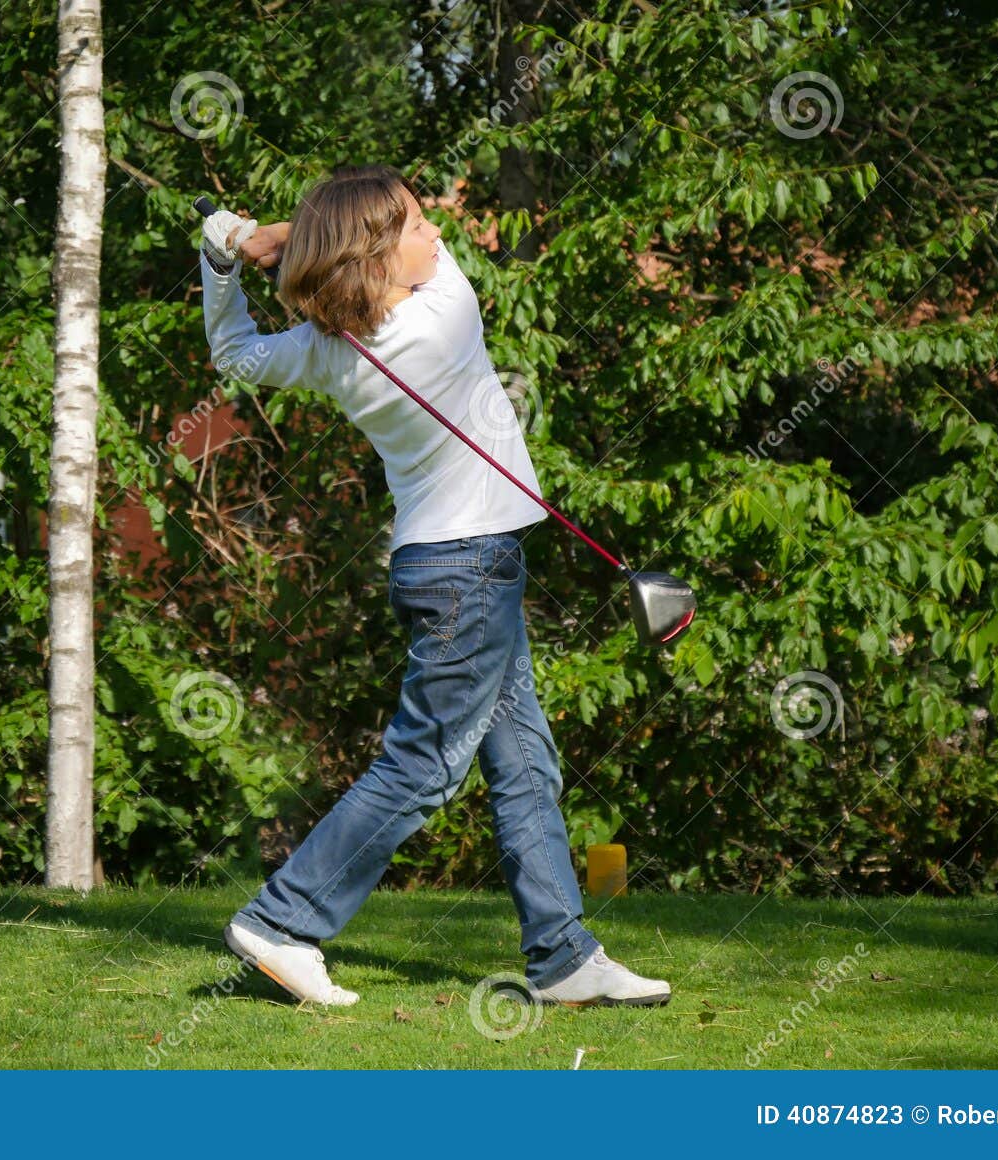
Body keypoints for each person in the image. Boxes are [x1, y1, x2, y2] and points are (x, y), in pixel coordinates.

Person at [197, 165, 670, 1009]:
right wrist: (259, 237)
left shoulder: (323, 351)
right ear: (378, 250)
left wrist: (226, 253)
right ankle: (285, 921)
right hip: (470, 570)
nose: (439, 237)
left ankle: (562, 956)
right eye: (419, 226)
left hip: (444, 564)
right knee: (426, 766)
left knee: (524, 761)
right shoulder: (448, 312)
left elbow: (233, 349)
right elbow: (347, 257)